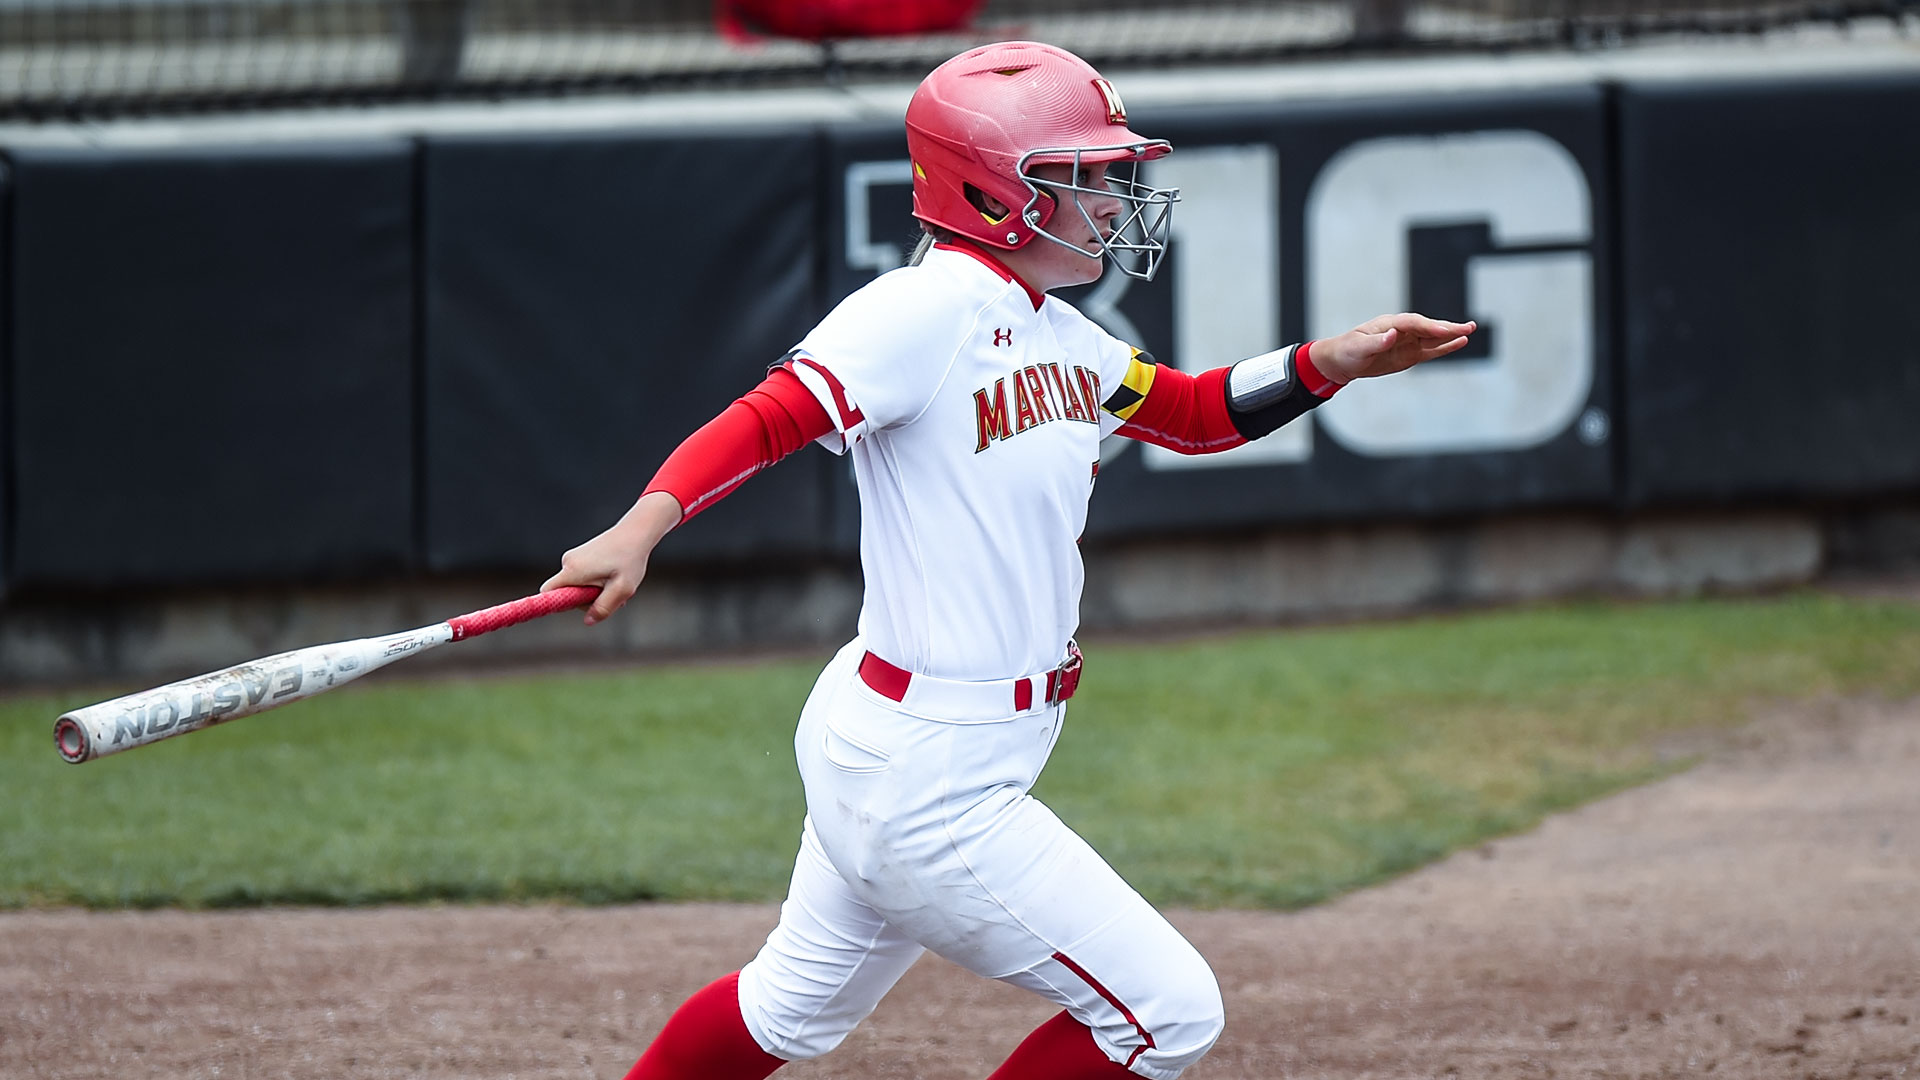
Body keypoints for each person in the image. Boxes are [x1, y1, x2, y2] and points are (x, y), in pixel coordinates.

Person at [542, 39, 1474, 1080]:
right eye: (1081, 177)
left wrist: (1332, 362)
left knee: (785, 1013)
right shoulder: (918, 311)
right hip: (929, 769)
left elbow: (1193, 415)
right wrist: (642, 526)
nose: (1116, 199)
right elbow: (769, 418)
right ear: (992, 195)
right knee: (1166, 1013)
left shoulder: (1061, 333)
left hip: (898, 736)